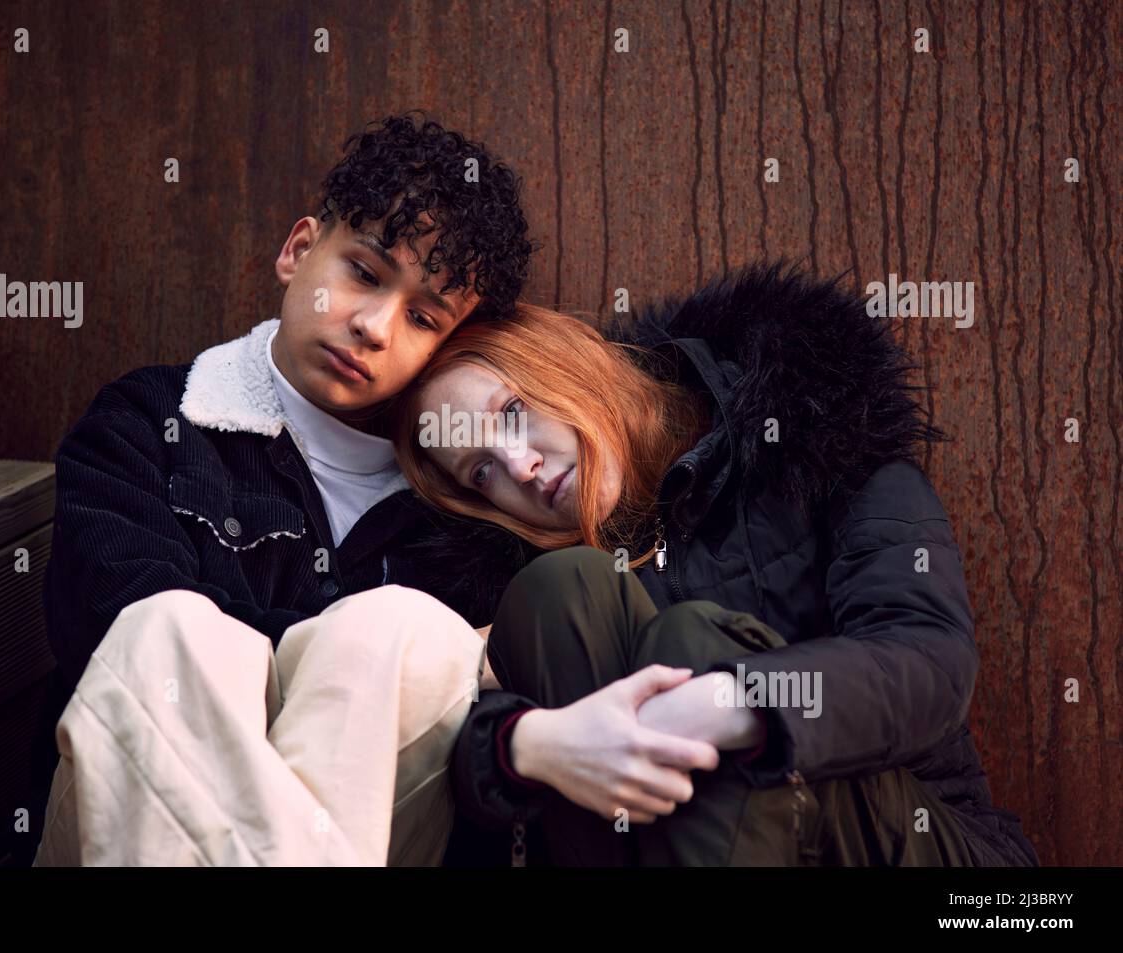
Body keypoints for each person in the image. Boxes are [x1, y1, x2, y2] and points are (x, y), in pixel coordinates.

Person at [390, 259, 1041, 867]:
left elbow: (931, 661)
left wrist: (734, 702)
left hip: (923, 840)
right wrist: (528, 742)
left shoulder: (816, 434)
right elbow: (460, 772)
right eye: (481, 472)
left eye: (513, 412)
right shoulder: (537, 604)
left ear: (571, 362)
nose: (520, 466)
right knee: (556, 590)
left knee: (690, 640)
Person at [26, 111, 540, 865]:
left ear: (448, 349)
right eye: (364, 272)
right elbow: (113, 648)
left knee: (405, 632)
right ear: (299, 250)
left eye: (423, 317)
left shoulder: (466, 517)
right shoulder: (149, 424)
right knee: (172, 631)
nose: (372, 325)